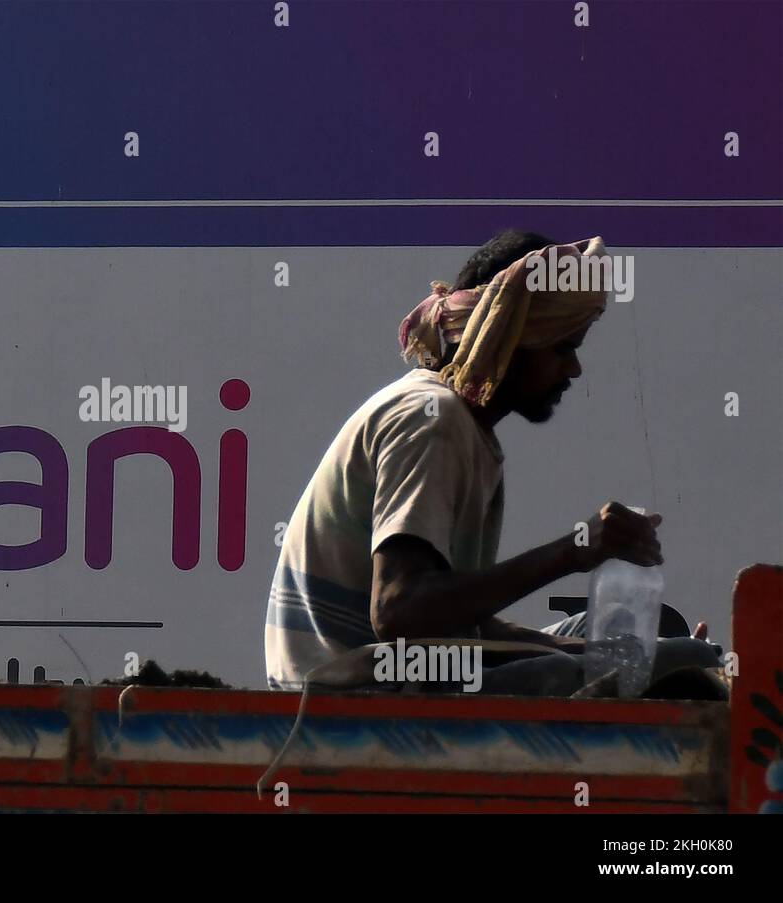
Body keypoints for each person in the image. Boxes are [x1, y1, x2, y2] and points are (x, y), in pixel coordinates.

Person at [264, 230, 719, 694]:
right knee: (593, 674)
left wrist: (616, 655)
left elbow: (462, 628)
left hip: (411, 670)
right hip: (346, 693)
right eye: (564, 348)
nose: (574, 369)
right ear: (509, 337)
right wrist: (573, 552)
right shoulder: (433, 421)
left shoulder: (457, 423)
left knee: (644, 642)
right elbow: (401, 614)